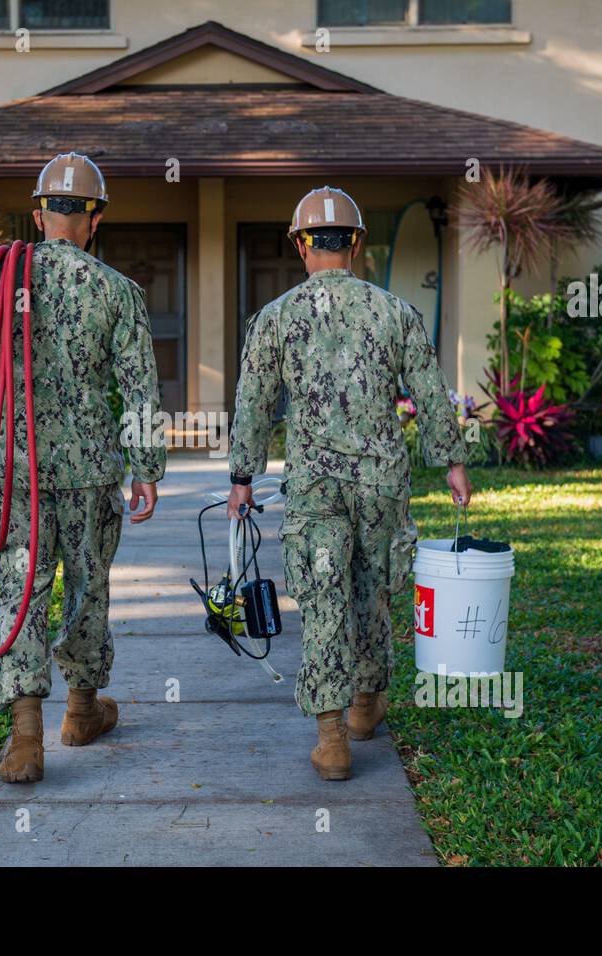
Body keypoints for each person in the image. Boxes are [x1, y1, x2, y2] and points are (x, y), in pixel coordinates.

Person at [227, 186, 473, 781]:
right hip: (381, 481)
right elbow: (430, 393)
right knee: (373, 587)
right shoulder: (395, 312)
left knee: (323, 597)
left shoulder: (275, 317)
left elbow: (254, 404)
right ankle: (367, 704)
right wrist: (453, 463)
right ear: (356, 244)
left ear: (301, 246)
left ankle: (332, 737)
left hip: (314, 486)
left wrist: (241, 478)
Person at [0, 152, 165, 784]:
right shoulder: (118, 292)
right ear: (94, 220)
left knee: (22, 587)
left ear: (39, 214)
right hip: (90, 470)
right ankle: (81, 708)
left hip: (15, 470)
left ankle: (25, 738)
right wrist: (145, 468)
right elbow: (140, 389)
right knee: (87, 586)